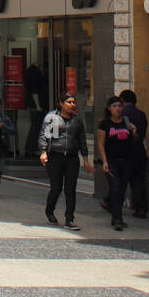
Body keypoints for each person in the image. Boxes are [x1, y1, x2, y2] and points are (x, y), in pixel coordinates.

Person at [39, 93, 94, 229]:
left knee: (70, 189)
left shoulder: (77, 121)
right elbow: (44, 135)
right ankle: (49, 211)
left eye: (73, 102)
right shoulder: (52, 118)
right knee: (56, 188)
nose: (72, 105)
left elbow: (82, 140)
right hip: (55, 156)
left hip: (72, 158)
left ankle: (69, 219)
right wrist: (43, 152)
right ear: (61, 104)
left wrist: (85, 159)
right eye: (69, 102)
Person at [97, 96, 138, 231]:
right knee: (114, 187)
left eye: (119, 106)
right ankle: (117, 218)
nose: (117, 109)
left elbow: (134, 141)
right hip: (111, 160)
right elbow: (101, 144)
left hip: (126, 160)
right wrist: (104, 161)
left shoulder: (126, 122)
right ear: (109, 108)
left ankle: (117, 216)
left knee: (122, 189)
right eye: (114, 106)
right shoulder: (104, 124)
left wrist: (134, 131)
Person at [120, 89, 149, 218]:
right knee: (138, 180)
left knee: (120, 180)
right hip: (139, 151)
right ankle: (141, 207)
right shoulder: (141, 114)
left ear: (122, 101)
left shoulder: (121, 113)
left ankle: (111, 203)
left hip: (126, 151)